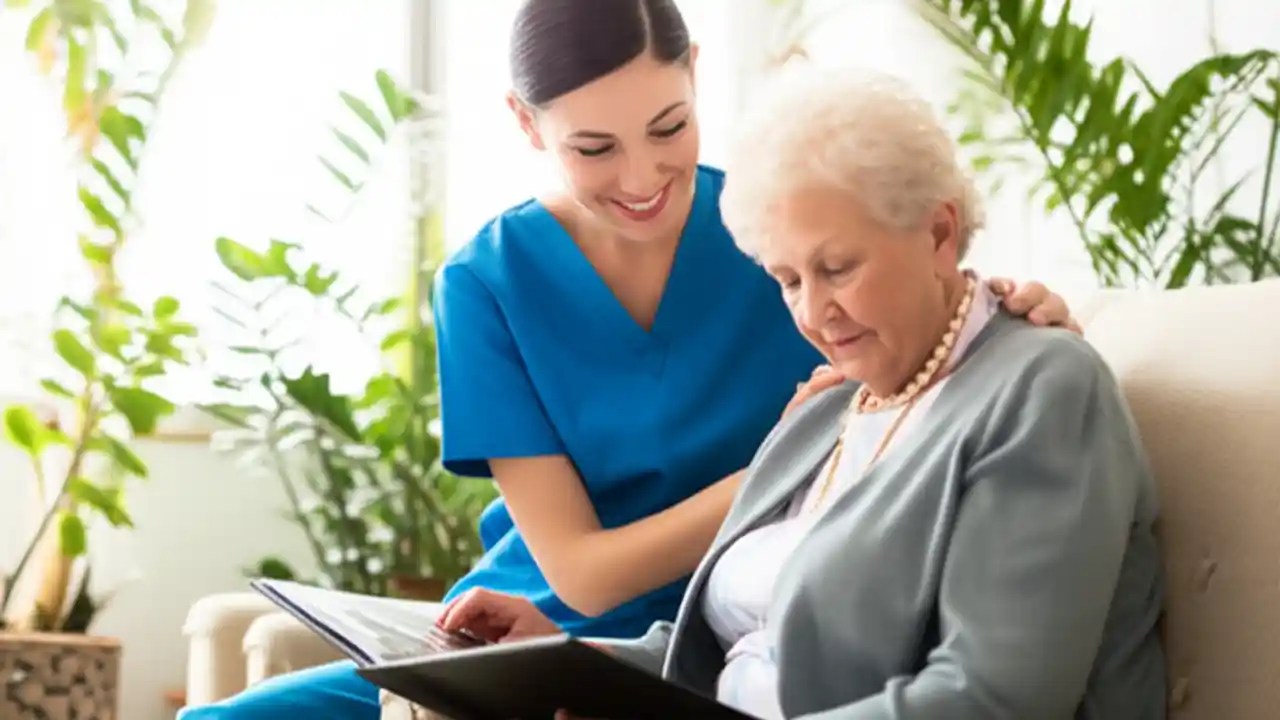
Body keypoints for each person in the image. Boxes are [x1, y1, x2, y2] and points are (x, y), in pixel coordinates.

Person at [177, 2, 1078, 718]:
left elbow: (919, 320)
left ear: (694, 75)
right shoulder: (486, 281)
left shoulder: (777, 230)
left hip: (709, 638)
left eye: (668, 127)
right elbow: (582, 573)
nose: (643, 178)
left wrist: (1004, 308)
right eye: (594, 148)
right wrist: (800, 452)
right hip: (540, 634)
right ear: (527, 127)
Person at [439, 67, 1167, 720]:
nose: (815, 314)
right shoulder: (831, 407)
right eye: (788, 280)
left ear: (940, 232)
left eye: (839, 268)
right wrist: (575, 660)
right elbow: (746, 648)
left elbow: (993, 696)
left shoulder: (1041, 389)